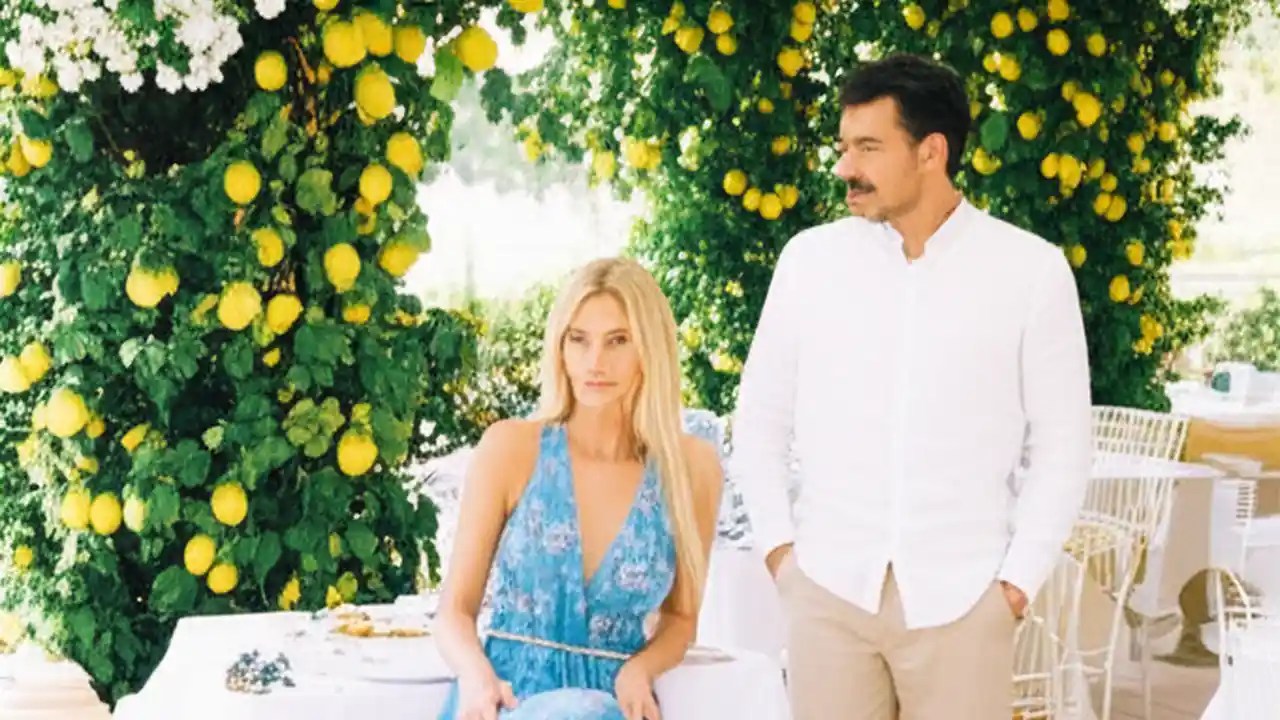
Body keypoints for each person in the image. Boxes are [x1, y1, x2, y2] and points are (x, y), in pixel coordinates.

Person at [729, 53, 1093, 719]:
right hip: (828, 593)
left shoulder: (1030, 273)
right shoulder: (810, 263)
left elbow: (1066, 445)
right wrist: (783, 556)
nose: (846, 168)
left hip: (963, 602)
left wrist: (1015, 584)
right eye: (844, 146)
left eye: (868, 147)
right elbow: (758, 420)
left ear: (932, 152)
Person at [434, 257, 724, 720]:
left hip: (614, 704)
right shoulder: (511, 448)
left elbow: (682, 618)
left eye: (618, 341)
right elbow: (454, 611)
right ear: (559, 347)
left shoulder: (691, 469)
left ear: (650, 348)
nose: (595, 362)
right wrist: (475, 676)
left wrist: (640, 669)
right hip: (504, 699)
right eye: (579, 339)